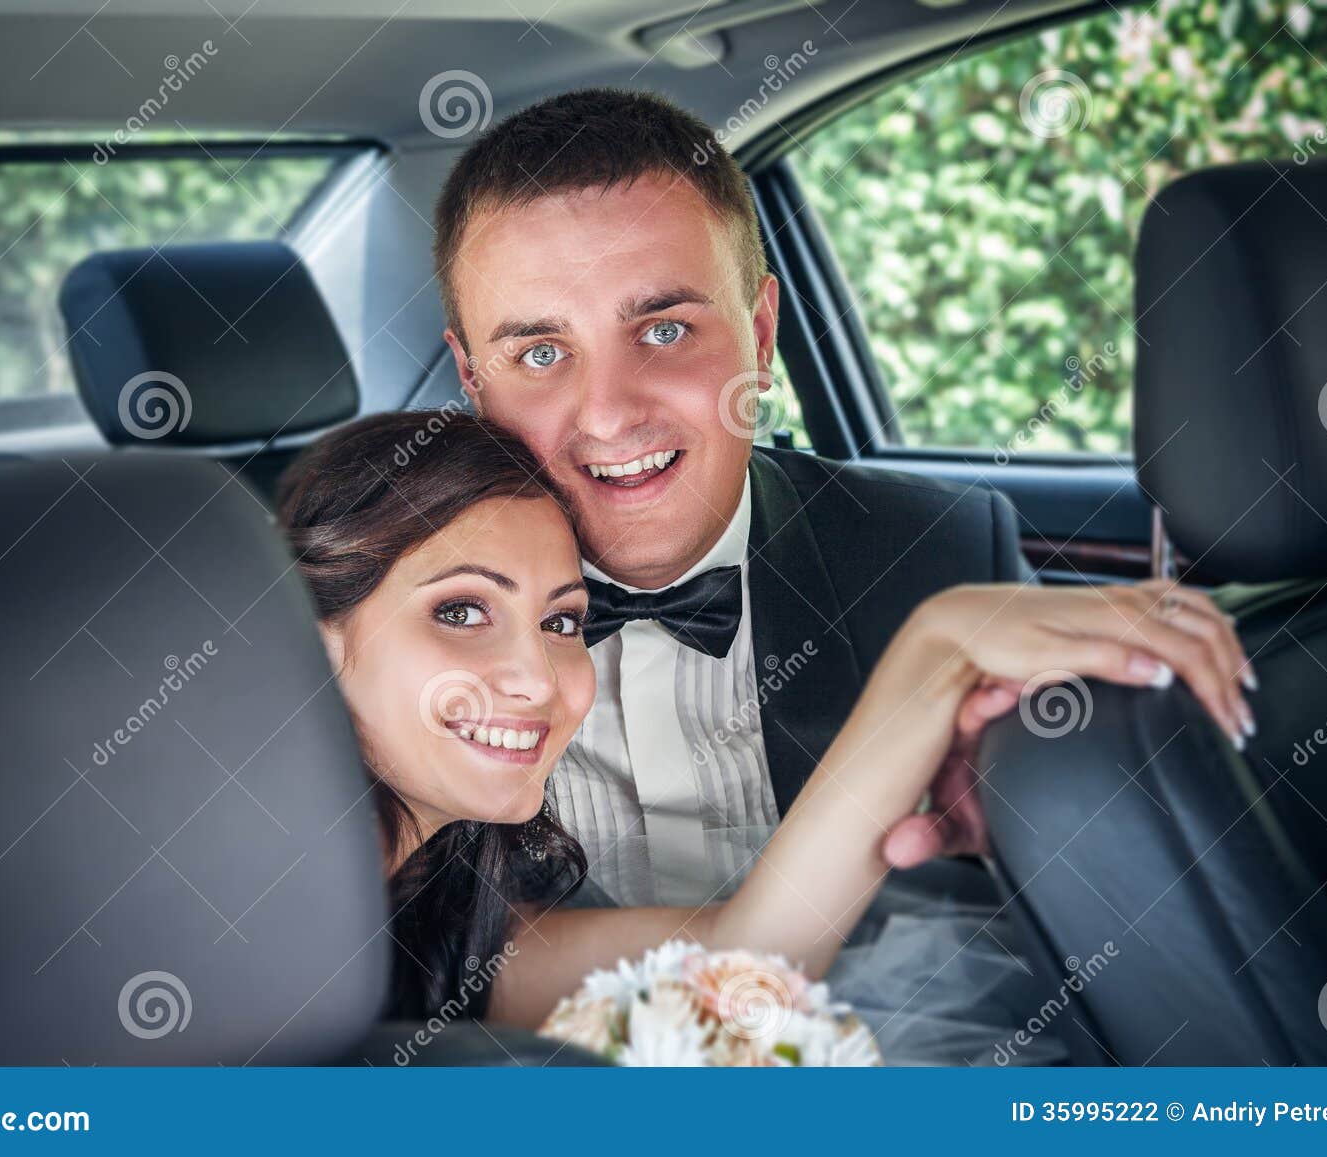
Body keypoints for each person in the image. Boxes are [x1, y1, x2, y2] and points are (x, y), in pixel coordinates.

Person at [424, 88, 1255, 1056]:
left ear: (760, 334)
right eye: (538, 351)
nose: (608, 413)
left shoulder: (936, 548)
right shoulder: (392, 619)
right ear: (472, 382)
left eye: (664, 330)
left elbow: (1064, 910)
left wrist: (1025, 818)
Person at [278, 411, 1253, 1036]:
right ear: (312, 637)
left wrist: (937, 646)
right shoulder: (234, 905)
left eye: (563, 621)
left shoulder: (454, 916)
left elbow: (744, 965)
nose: (537, 677)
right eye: (460, 610)